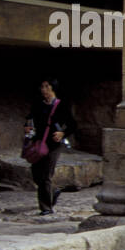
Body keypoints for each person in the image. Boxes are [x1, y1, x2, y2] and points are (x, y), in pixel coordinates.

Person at [25, 78, 75, 215]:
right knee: (36, 174)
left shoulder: (62, 105)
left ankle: (46, 207)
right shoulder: (37, 104)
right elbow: (29, 119)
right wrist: (28, 128)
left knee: (46, 175)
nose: (44, 89)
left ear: (53, 88)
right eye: (42, 86)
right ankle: (53, 191)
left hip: (53, 144)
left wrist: (62, 133)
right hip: (38, 142)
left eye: (47, 86)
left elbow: (72, 124)